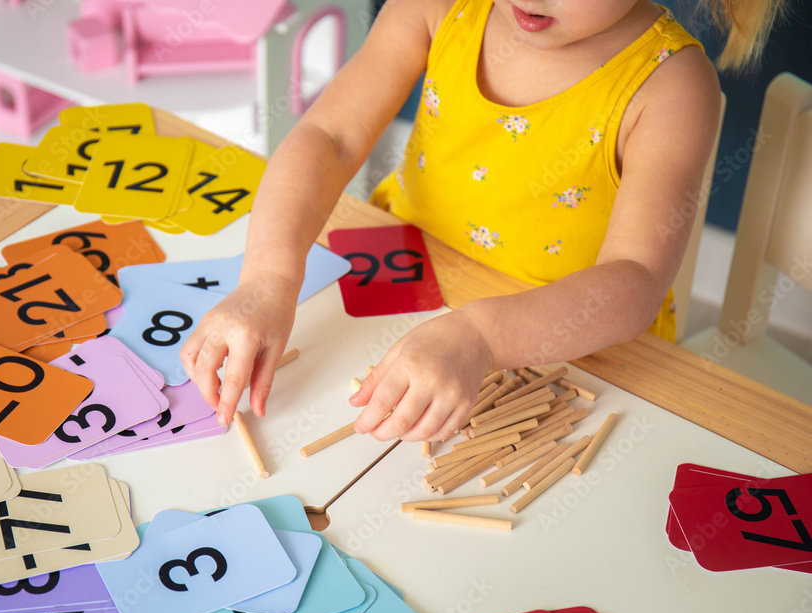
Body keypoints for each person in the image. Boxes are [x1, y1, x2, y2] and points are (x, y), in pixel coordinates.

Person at [180, 0, 787, 444]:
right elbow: (329, 136)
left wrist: (480, 338)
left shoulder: (672, 83)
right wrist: (266, 280)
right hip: (400, 291)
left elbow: (636, 280)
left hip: (571, 353)